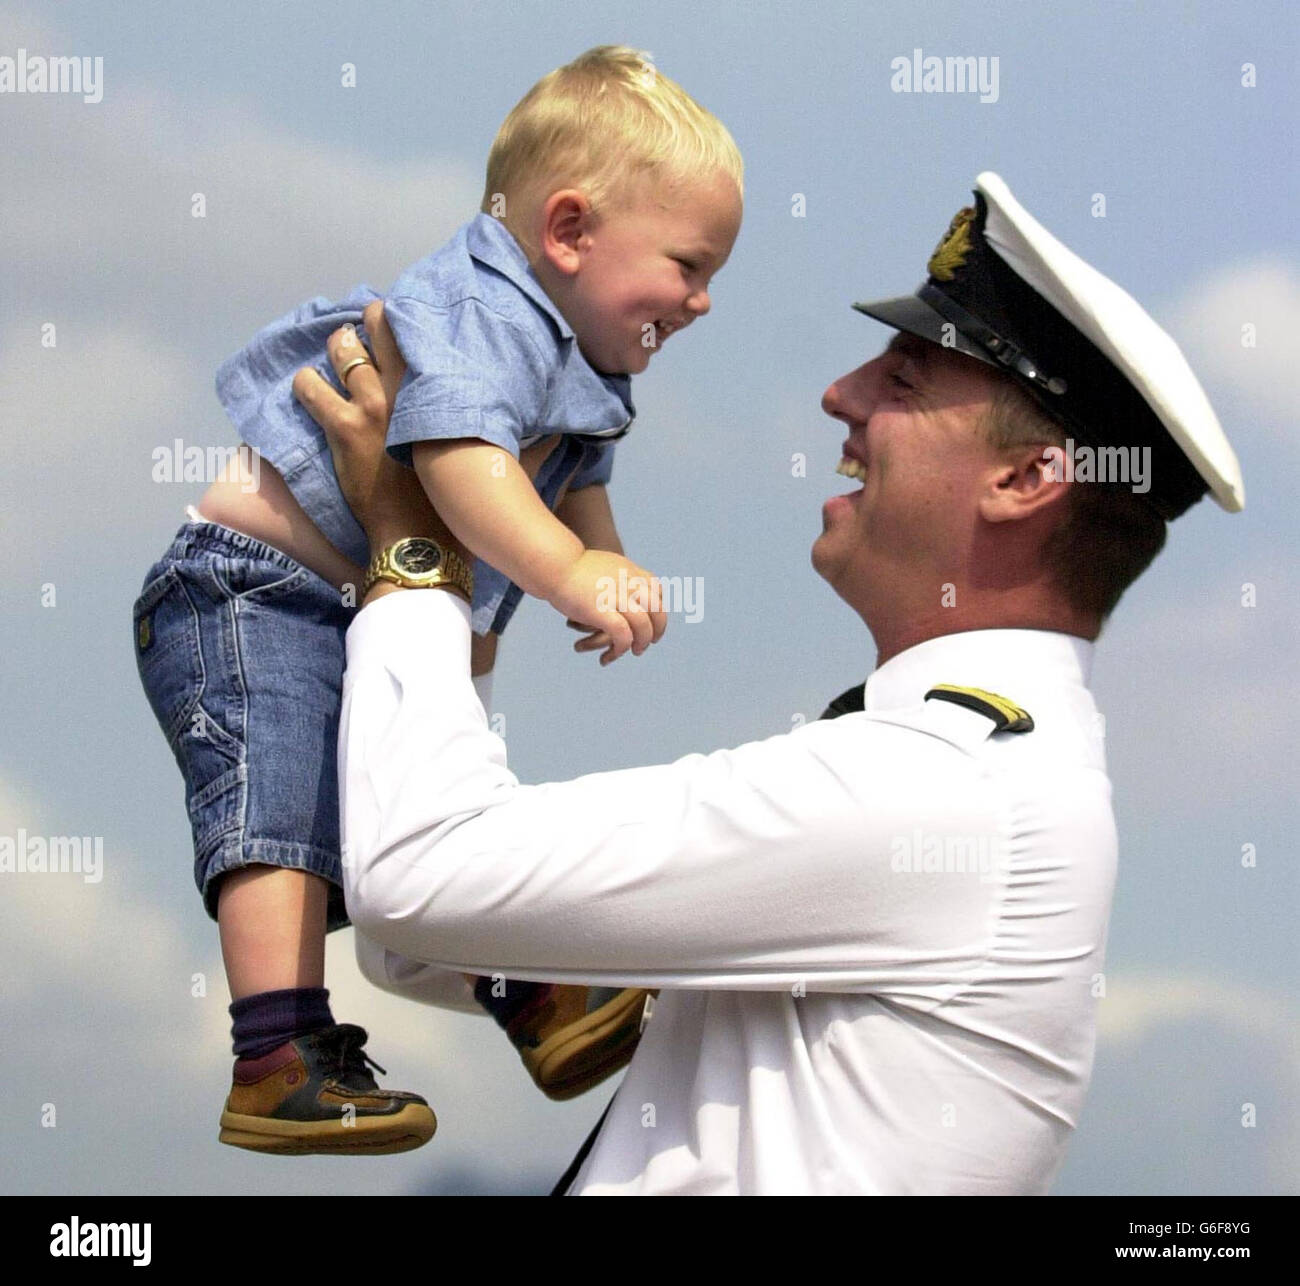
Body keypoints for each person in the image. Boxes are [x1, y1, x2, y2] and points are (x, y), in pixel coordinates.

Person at [293, 172, 1244, 1194]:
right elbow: (437, 933)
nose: (843, 394)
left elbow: (419, 881)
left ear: (1024, 481)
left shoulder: (946, 789)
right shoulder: (969, 772)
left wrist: (420, 541)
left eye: (908, 377)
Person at [130, 45, 743, 1155]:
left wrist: (606, 565)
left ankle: (522, 982)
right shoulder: (482, 313)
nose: (702, 302)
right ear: (568, 232)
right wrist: (568, 571)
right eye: (690, 266)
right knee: (282, 808)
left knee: (413, 815)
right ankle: (277, 1047)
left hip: (378, 606)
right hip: (255, 590)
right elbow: (457, 458)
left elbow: (580, 479)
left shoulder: (588, 360)